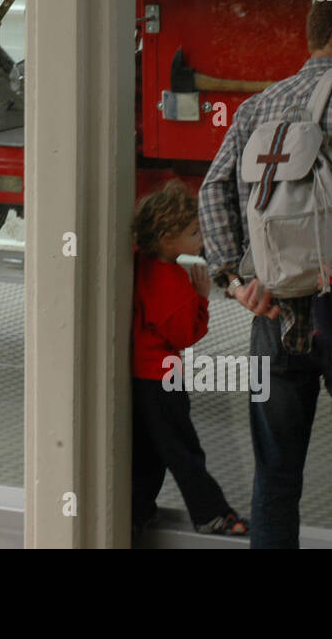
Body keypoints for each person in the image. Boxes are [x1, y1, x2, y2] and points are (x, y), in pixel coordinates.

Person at [199, 0, 332, 549]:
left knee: (274, 474)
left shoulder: (260, 105)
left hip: (274, 312)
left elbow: (213, 191)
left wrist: (234, 280)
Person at [131, 179, 248, 540]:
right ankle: (210, 513)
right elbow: (186, 334)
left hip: (139, 376)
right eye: (194, 232)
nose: (201, 238)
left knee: (148, 452)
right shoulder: (173, 280)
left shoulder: (139, 263)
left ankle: (136, 512)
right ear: (168, 239)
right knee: (183, 450)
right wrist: (201, 297)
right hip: (162, 379)